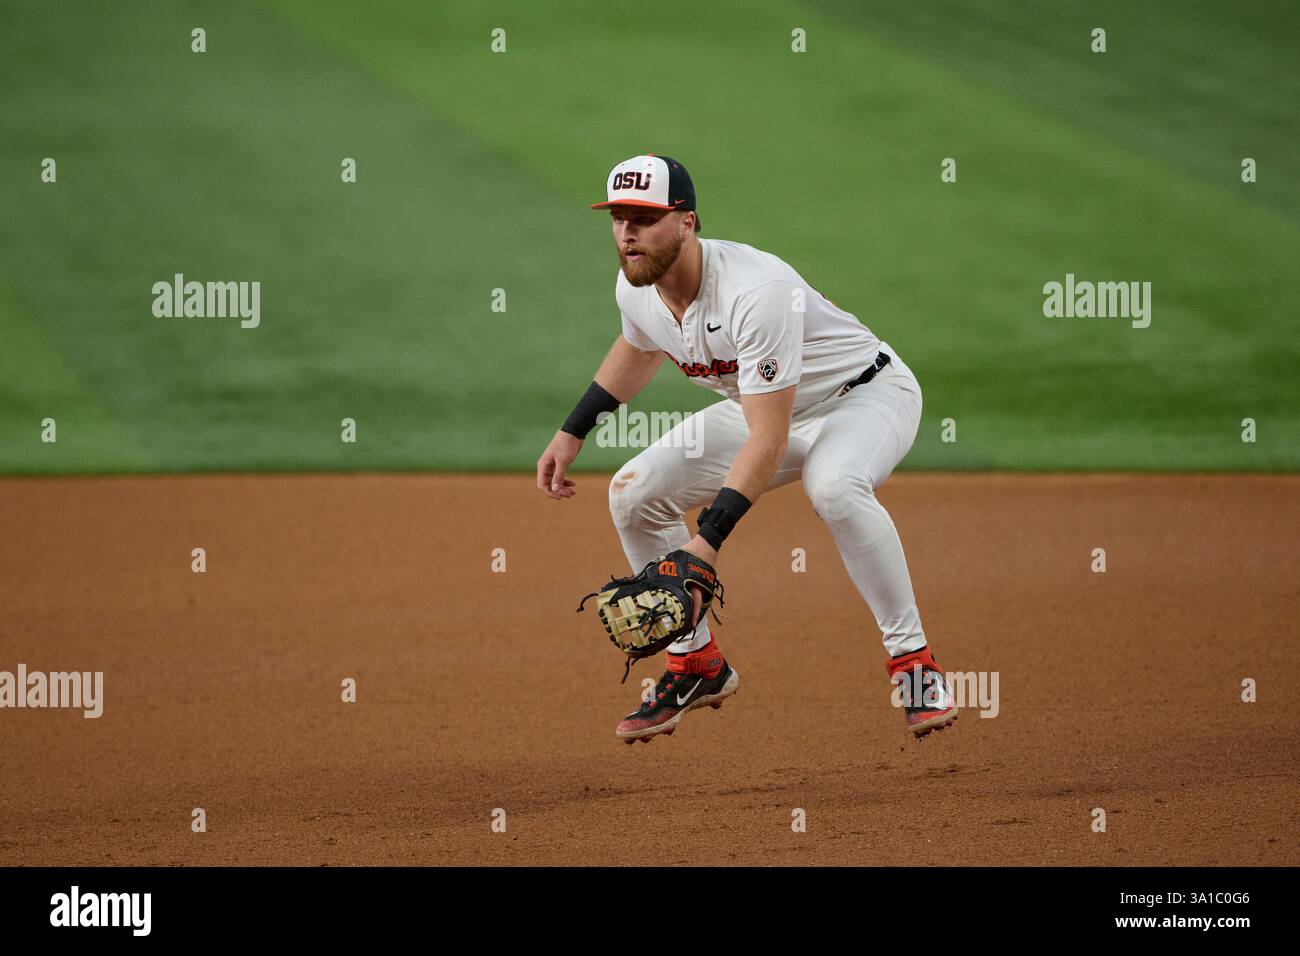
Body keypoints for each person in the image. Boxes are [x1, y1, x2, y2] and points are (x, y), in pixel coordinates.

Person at [537, 154, 957, 743]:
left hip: (863, 397)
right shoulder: (636, 286)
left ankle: (915, 665)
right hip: (769, 409)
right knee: (633, 495)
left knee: (834, 487)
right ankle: (695, 665)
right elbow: (639, 346)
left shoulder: (756, 292)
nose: (628, 233)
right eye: (619, 218)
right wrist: (573, 430)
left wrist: (705, 544)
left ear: (687, 221)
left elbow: (768, 437)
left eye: (645, 217)